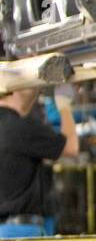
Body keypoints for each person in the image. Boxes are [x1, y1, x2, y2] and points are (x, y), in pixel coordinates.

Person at [0, 85, 80, 220]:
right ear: (14, 89)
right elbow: (71, 147)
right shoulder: (20, 127)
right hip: (21, 228)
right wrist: (64, 105)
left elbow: (24, 108)